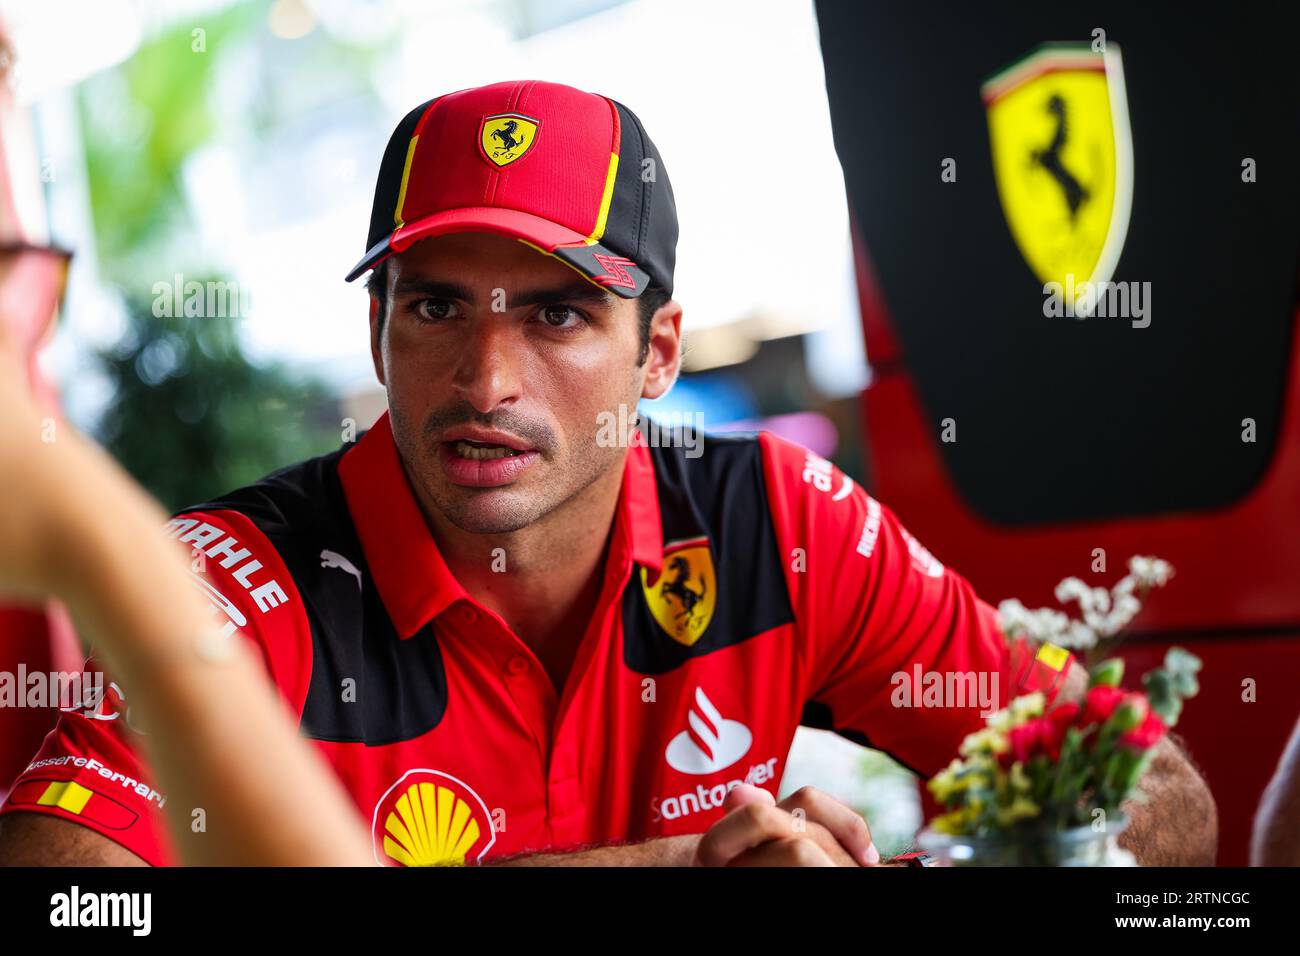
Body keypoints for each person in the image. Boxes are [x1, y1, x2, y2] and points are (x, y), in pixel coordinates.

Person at [0, 80, 1216, 867]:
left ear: (659, 354)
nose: (487, 378)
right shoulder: (245, 581)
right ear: (377, 336)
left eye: (558, 314)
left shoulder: (782, 527)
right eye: (435, 306)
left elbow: (1158, 795)